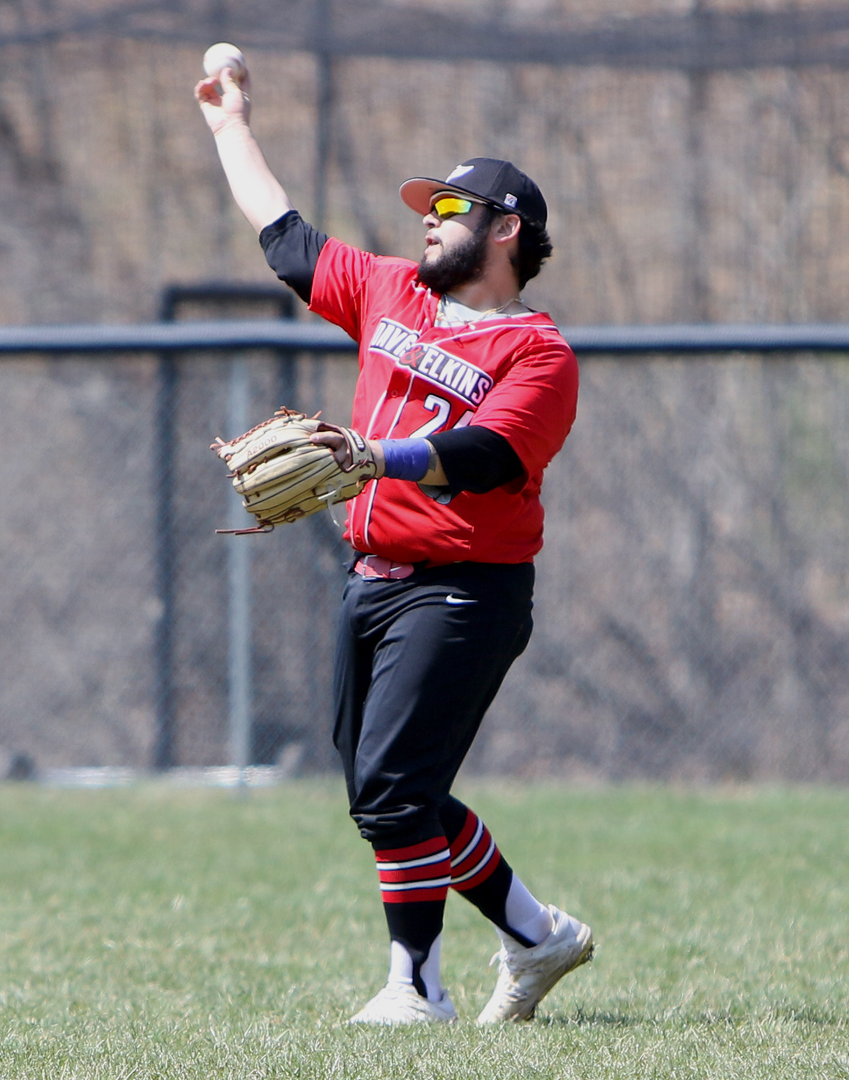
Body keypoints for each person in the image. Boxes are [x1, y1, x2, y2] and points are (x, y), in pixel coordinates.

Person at [196, 63, 591, 1026]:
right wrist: (230, 125)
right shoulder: (387, 292)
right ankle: (539, 937)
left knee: (394, 787)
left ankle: (416, 987)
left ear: (507, 230)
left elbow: (490, 453)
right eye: (426, 204)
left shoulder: (539, 353)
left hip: (468, 587)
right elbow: (283, 239)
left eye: (451, 206)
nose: (428, 218)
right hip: (369, 576)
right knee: (386, 797)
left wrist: (377, 454)